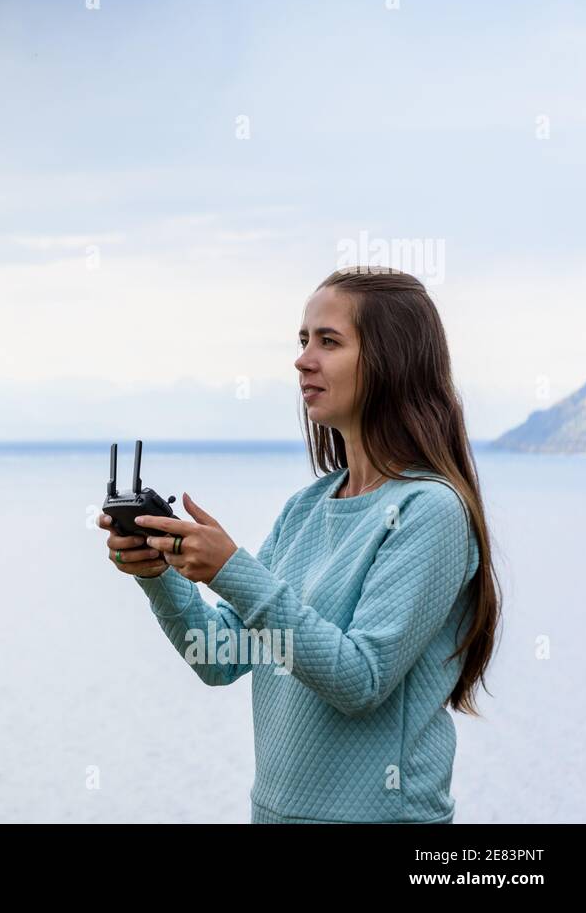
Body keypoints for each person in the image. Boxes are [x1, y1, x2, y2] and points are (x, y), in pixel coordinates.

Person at [100, 266, 500, 823]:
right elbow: (218, 657)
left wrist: (231, 570)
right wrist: (157, 572)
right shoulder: (307, 508)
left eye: (329, 341)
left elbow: (359, 680)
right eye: (303, 340)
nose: (303, 359)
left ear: (392, 361)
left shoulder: (430, 511)